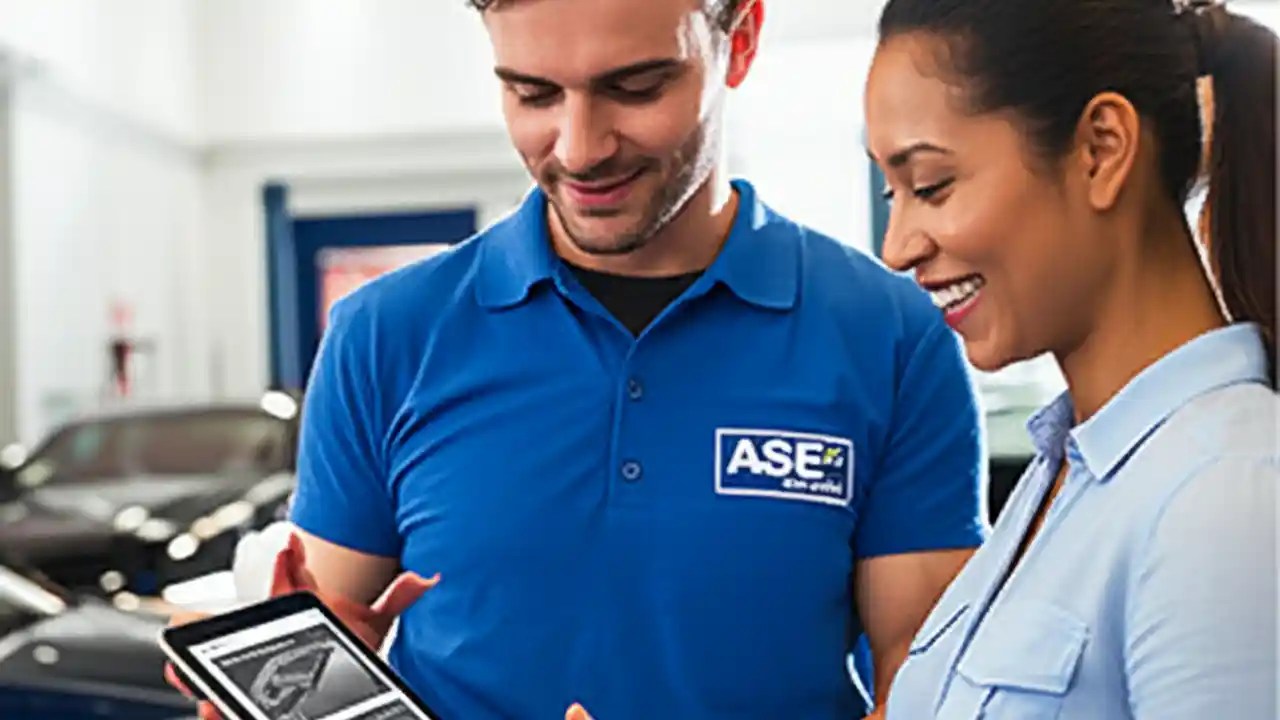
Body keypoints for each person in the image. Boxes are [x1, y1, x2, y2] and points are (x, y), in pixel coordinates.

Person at [167, 0, 990, 718]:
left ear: (739, 40)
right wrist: (282, 692)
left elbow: (927, 690)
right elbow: (318, 656)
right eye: (533, 94)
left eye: (635, 88)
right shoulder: (384, 336)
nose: (580, 147)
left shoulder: (889, 337)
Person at [862, 0, 1278, 718]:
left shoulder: (1223, 499)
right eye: (891, 193)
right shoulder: (1066, 476)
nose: (896, 247)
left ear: (1101, 149)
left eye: (931, 186)